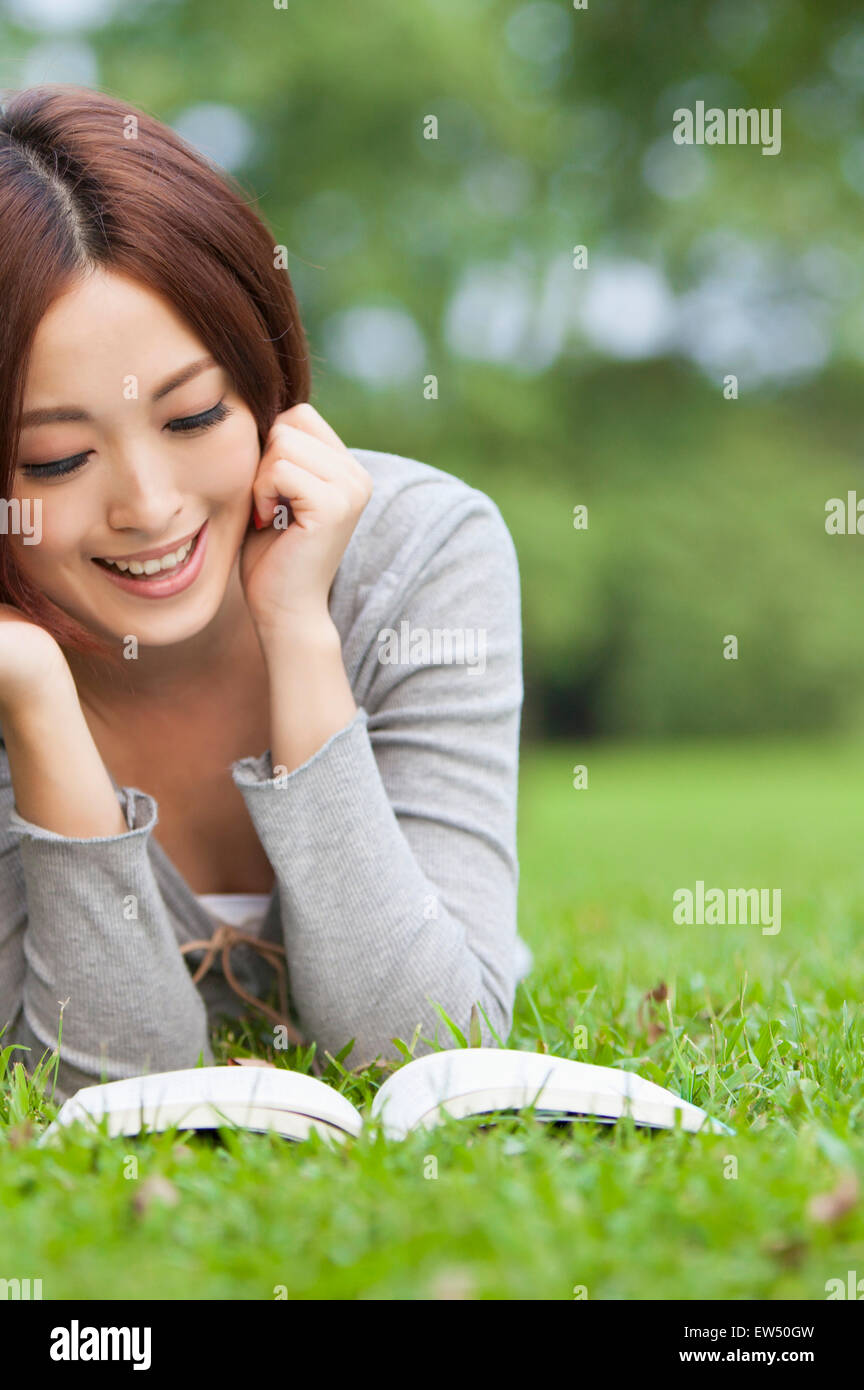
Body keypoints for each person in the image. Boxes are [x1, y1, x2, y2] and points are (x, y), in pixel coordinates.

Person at [0, 85, 531, 1103]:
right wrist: (34, 699)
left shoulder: (422, 553)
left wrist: (299, 628)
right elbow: (107, 1081)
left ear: (267, 383)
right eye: (59, 460)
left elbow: (424, 1051)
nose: (150, 507)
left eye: (195, 417)